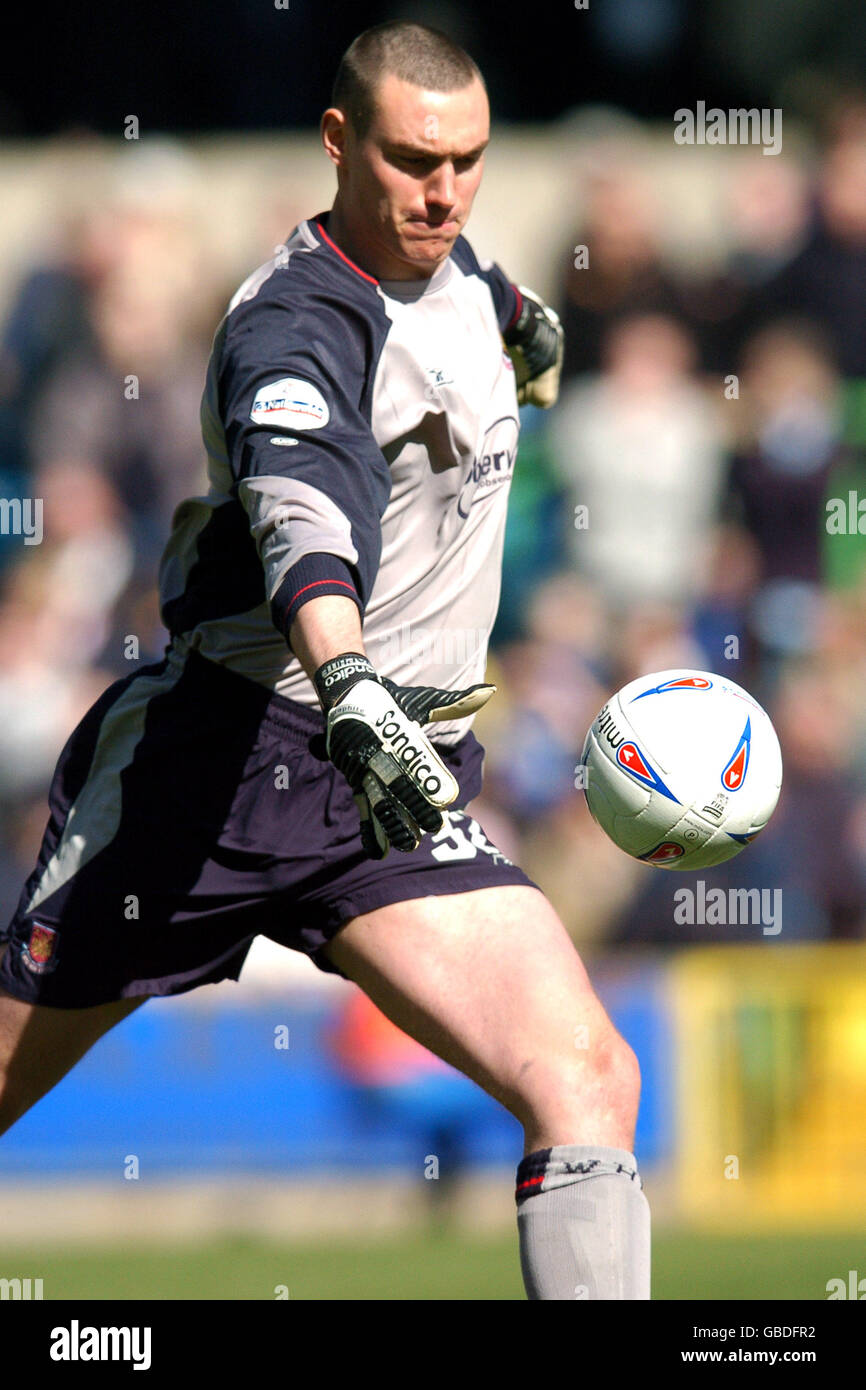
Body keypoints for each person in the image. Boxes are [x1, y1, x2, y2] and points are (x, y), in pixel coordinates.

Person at [0, 22, 649, 1301]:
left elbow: (477, 292)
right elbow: (304, 514)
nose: (444, 190)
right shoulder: (290, 328)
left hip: (391, 786)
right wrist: (349, 683)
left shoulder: (455, 259)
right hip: (229, 761)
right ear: (338, 143)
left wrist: (530, 326)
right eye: (413, 160)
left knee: (583, 1075)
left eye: (467, 160)